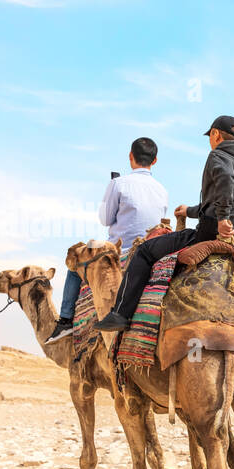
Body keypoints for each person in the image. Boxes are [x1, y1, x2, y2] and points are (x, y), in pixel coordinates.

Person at [93, 116, 234, 332]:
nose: (210, 140)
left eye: (211, 136)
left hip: (210, 234)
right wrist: (189, 211)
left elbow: (225, 181)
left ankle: (120, 315)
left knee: (144, 252)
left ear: (216, 134)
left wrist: (223, 217)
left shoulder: (218, 155)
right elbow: (219, 199)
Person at [46, 138, 168, 343]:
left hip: (120, 252)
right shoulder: (162, 190)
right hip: (152, 250)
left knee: (75, 262)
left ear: (131, 157)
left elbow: (105, 220)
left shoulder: (118, 183)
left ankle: (65, 320)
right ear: (154, 161)